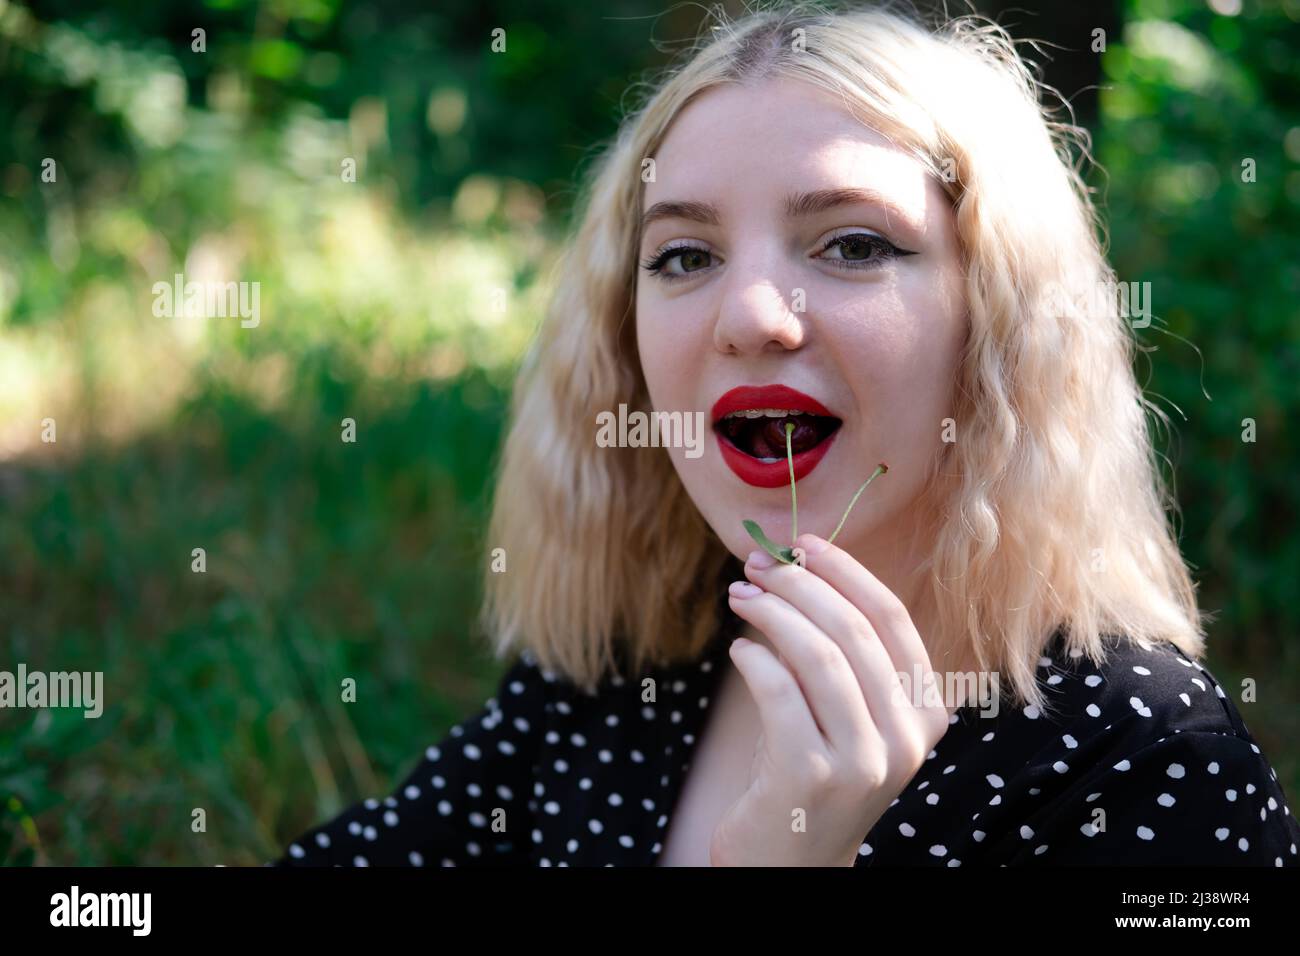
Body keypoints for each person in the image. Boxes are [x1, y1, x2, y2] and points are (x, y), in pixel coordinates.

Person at [275, 1, 1300, 867]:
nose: (749, 313)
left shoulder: (1154, 761)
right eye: (683, 255)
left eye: (852, 243)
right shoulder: (610, 680)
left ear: (999, 319)